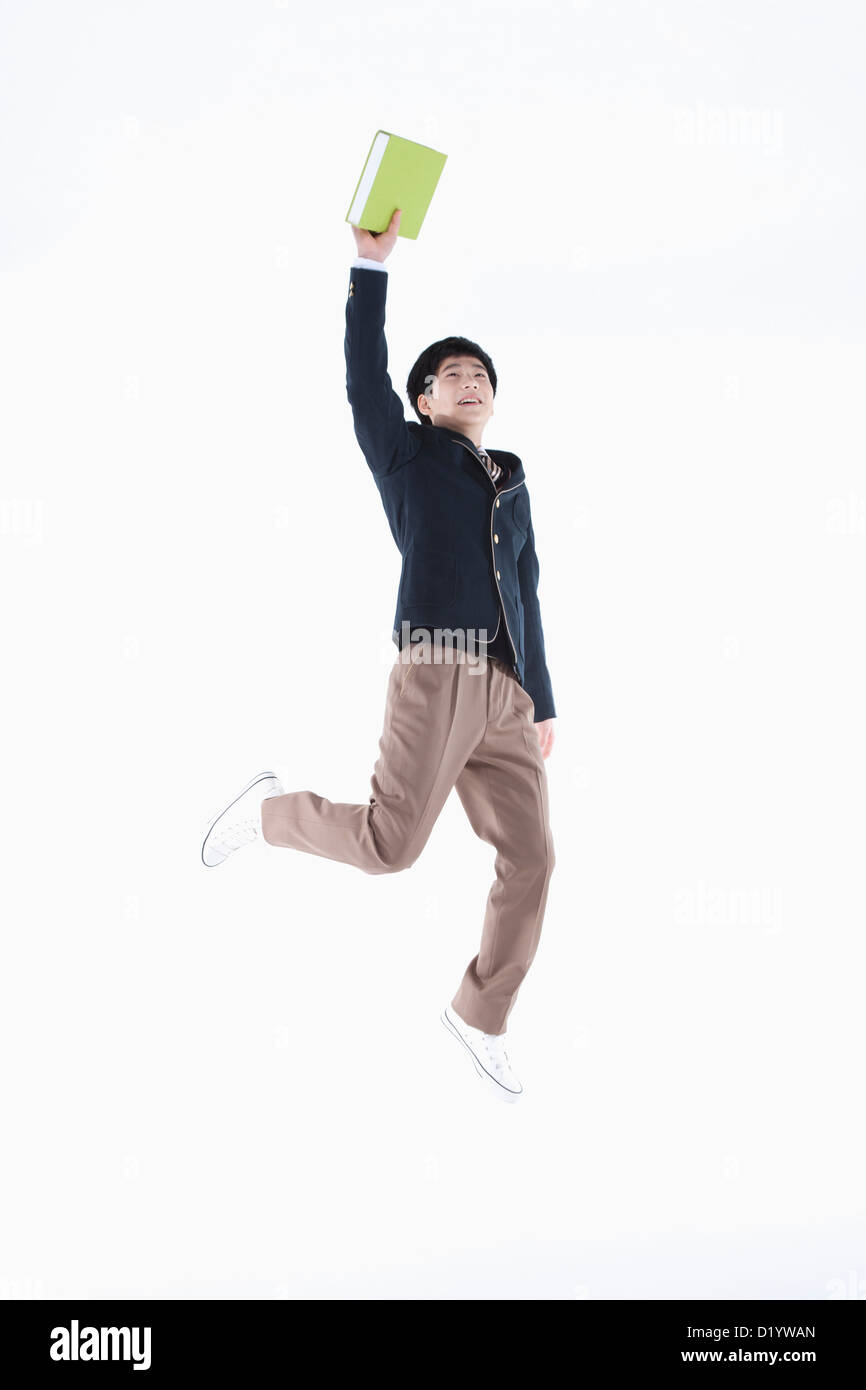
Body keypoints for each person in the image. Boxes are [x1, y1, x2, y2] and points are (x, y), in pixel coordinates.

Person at [200, 209, 557, 1103]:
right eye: (450, 375)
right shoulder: (405, 455)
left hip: (505, 697)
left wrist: (541, 700)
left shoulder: (511, 486)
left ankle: (480, 1015)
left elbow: (531, 594)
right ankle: (276, 813)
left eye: (479, 374)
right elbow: (364, 379)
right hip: (436, 669)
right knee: (391, 848)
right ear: (425, 400)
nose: (468, 381)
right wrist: (369, 271)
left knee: (533, 856)